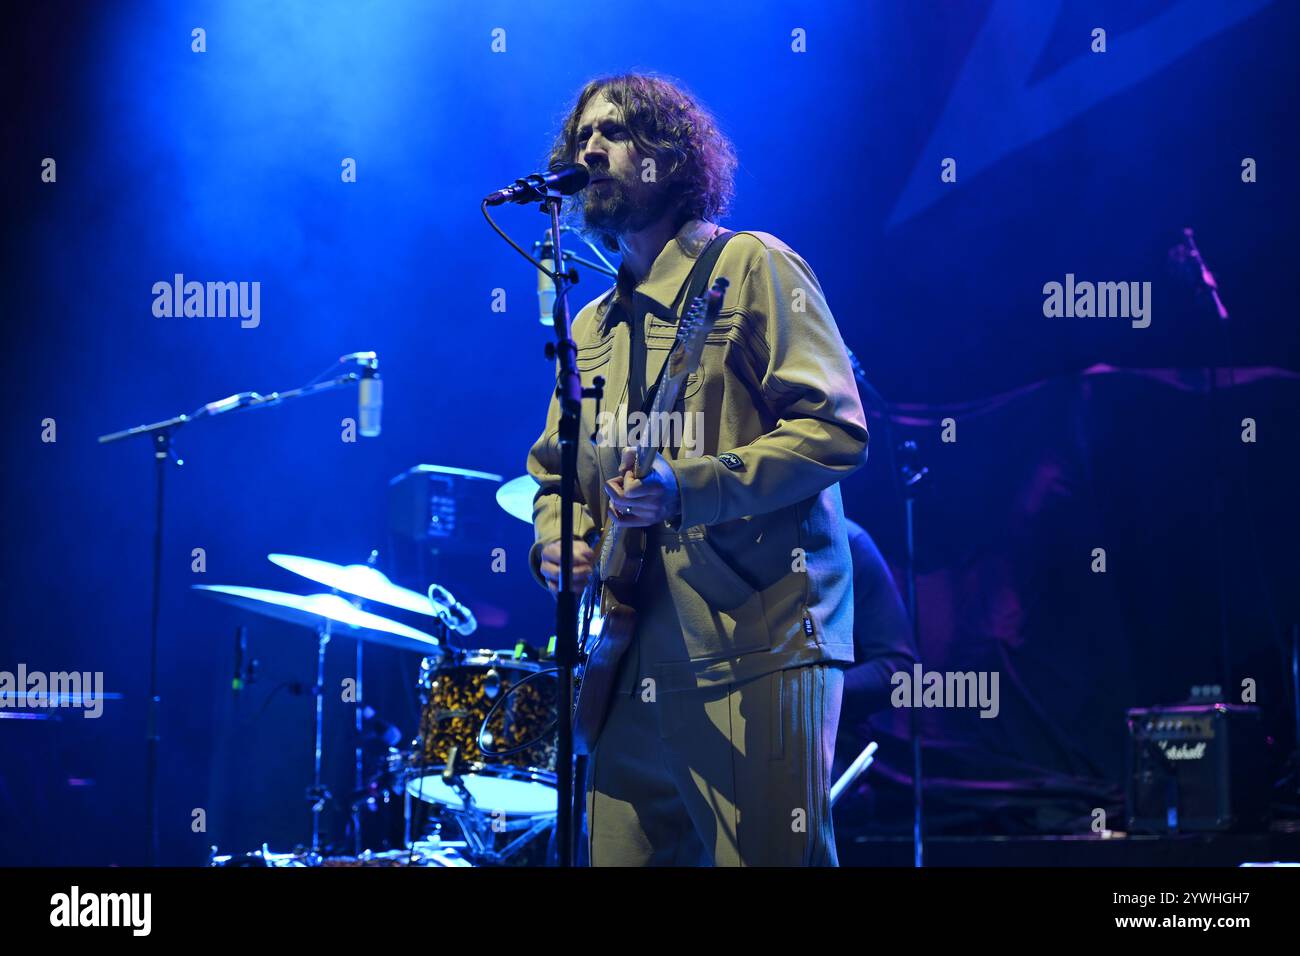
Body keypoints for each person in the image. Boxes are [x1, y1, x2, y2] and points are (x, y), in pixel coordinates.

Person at [525, 73, 868, 866]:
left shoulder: (750, 267)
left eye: (614, 132)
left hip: (757, 643)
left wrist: (691, 488)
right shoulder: (589, 326)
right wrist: (556, 541)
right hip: (621, 658)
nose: (591, 148)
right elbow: (554, 477)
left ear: (671, 157)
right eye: (581, 137)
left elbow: (835, 429)